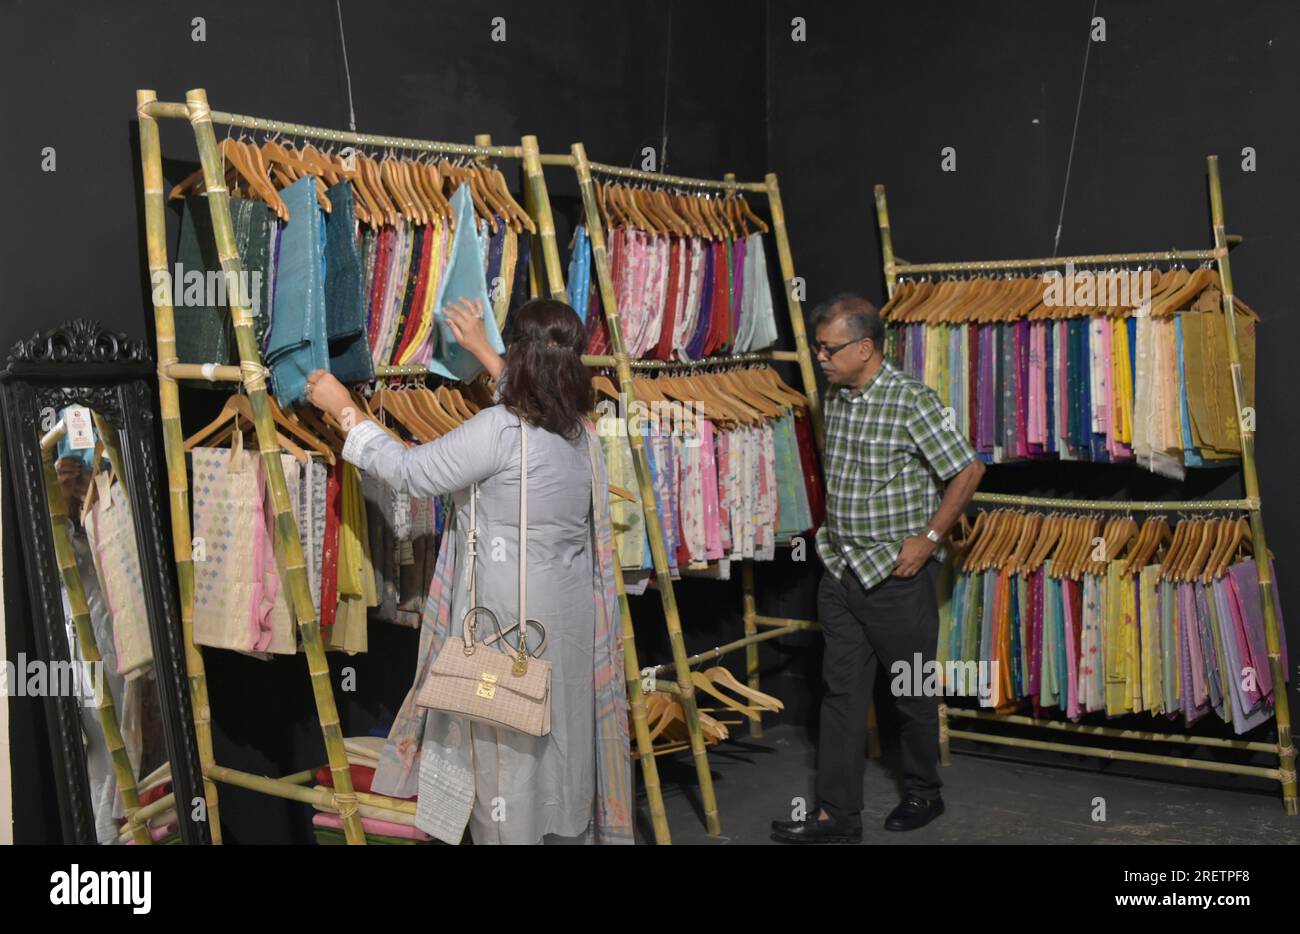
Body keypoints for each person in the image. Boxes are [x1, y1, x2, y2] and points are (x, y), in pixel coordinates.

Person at [304, 297, 633, 845]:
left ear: (522, 356)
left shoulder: (499, 429)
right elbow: (531, 398)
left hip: (507, 626)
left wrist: (346, 411)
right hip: (569, 626)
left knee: (506, 756)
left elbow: (411, 472)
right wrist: (485, 351)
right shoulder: (580, 435)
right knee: (557, 747)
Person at [771, 294, 984, 844]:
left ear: (865, 348)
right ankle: (835, 816)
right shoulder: (838, 396)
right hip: (840, 571)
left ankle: (923, 793)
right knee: (840, 694)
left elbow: (968, 469)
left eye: (829, 347)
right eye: (818, 347)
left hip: (896, 577)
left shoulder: (912, 401)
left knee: (910, 694)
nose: (819, 356)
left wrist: (930, 538)